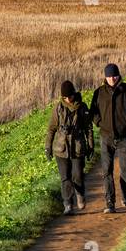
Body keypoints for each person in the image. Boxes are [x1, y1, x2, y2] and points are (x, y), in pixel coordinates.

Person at [88, 63, 126, 213]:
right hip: (106, 137)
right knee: (107, 171)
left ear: (118, 75)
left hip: (124, 137)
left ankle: (124, 191)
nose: (112, 78)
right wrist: (99, 122)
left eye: (114, 75)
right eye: (109, 76)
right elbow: (93, 111)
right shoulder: (99, 92)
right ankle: (110, 203)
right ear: (105, 77)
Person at [45, 80, 93, 213]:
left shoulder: (82, 107)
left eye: (70, 96)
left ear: (74, 94)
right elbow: (51, 129)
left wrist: (90, 146)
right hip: (61, 149)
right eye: (65, 97)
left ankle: (80, 194)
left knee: (77, 175)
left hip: (78, 148)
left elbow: (88, 128)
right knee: (65, 177)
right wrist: (48, 147)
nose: (68, 99)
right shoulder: (58, 108)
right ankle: (67, 203)